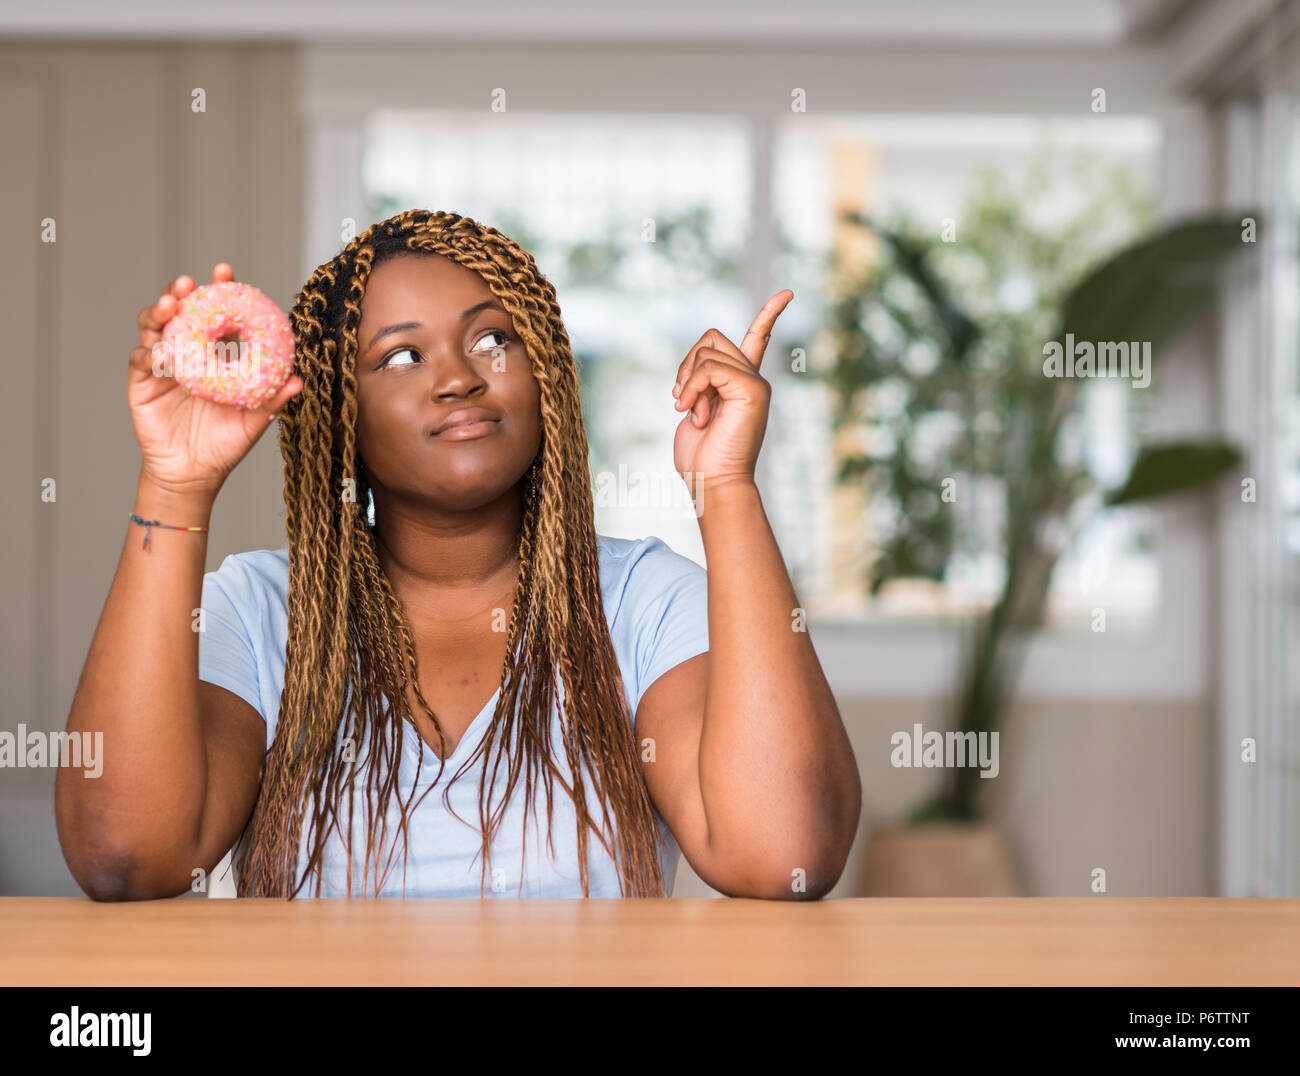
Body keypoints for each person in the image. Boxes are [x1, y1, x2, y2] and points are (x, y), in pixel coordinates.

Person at [56, 208, 860, 901]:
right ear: (341, 414)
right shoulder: (262, 610)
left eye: (492, 339)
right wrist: (175, 485)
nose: (459, 379)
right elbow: (126, 859)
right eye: (402, 356)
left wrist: (725, 486)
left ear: (542, 372)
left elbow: (783, 855)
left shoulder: (644, 601)